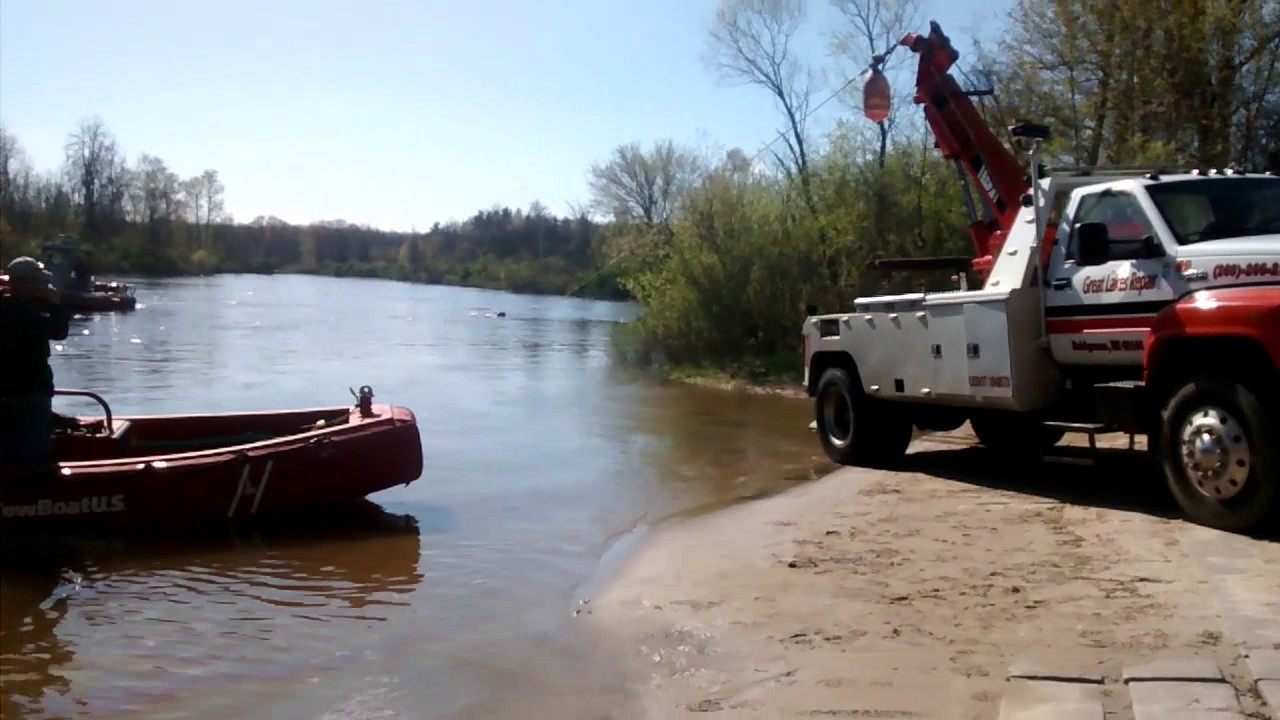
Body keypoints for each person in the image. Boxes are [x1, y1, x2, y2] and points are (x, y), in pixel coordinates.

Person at [0, 256, 70, 468]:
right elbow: (59, 331)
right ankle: (31, 496)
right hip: (31, 393)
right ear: (26, 282)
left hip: (5, 392)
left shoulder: (9, 307)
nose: (43, 285)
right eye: (38, 281)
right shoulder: (30, 312)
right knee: (34, 456)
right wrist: (55, 305)